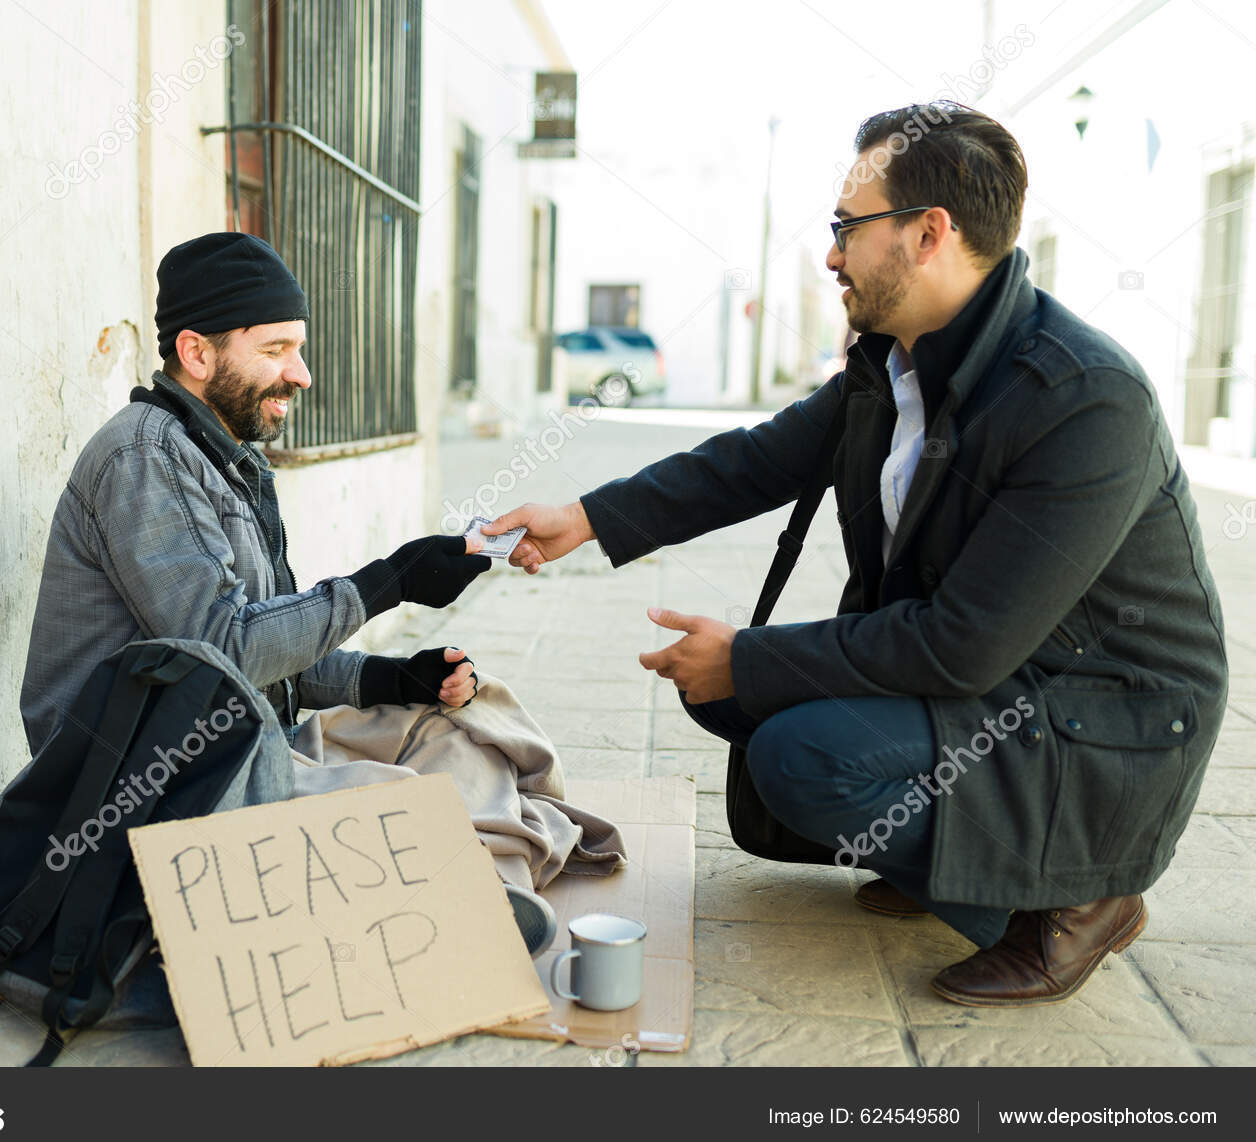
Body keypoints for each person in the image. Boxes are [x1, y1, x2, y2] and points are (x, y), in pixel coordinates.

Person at [486, 103, 1227, 1006]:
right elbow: (754, 460)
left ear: (927, 233)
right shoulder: (895, 363)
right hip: (997, 680)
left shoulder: (1083, 398)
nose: (831, 254)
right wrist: (586, 516)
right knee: (738, 706)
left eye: (846, 228)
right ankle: (964, 856)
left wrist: (747, 657)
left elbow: (963, 645)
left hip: (1101, 717)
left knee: (800, 753)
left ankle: (1076, 899)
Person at [19, 231, 570, 952]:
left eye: (298, 349)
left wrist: (389, 675)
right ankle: (457, 883)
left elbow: (270, 643)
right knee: (410, 806)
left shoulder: (231, 460)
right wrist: (390, 581)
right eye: (277, 349)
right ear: (196, 352)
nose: (301, 374)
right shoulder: (141, 458)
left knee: (461, 732)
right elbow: (226, 647)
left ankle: (465, 884)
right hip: (151, 789)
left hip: (246, 745)